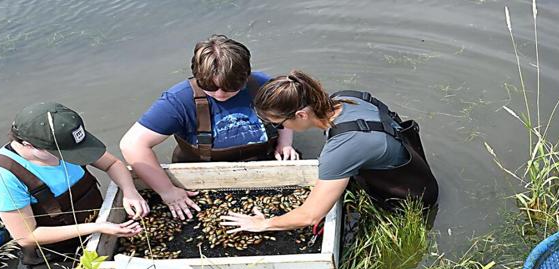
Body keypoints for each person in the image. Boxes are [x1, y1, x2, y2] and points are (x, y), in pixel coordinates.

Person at [219, 70, 437, 236]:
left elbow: (310, 215)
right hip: (414, 170)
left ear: (301, 115)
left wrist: (264, 223)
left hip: (409, 199)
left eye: (279, 124)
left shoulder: (340, 151)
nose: (281, 130)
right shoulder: (347, 98)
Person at [119, 35, 298, 220]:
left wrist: (285, 142)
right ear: (198, 76)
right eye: (210, 86)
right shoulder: (178, 100)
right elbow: (132, 145)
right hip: (200, 171)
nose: (220, 94)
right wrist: (167, 191)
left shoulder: (261, 85)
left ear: (245, 76)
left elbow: (287, 110)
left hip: (263, 161)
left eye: (231, 87)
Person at [0, 102, 147, 269]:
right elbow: (26, 236)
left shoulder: (67, 139)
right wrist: (97, 227)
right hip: (57, 255)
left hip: (100, 228)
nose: (73, 156)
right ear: (29, 145)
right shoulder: (4, 177)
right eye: (64, 152)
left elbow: (112, 164)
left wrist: (130, 191)